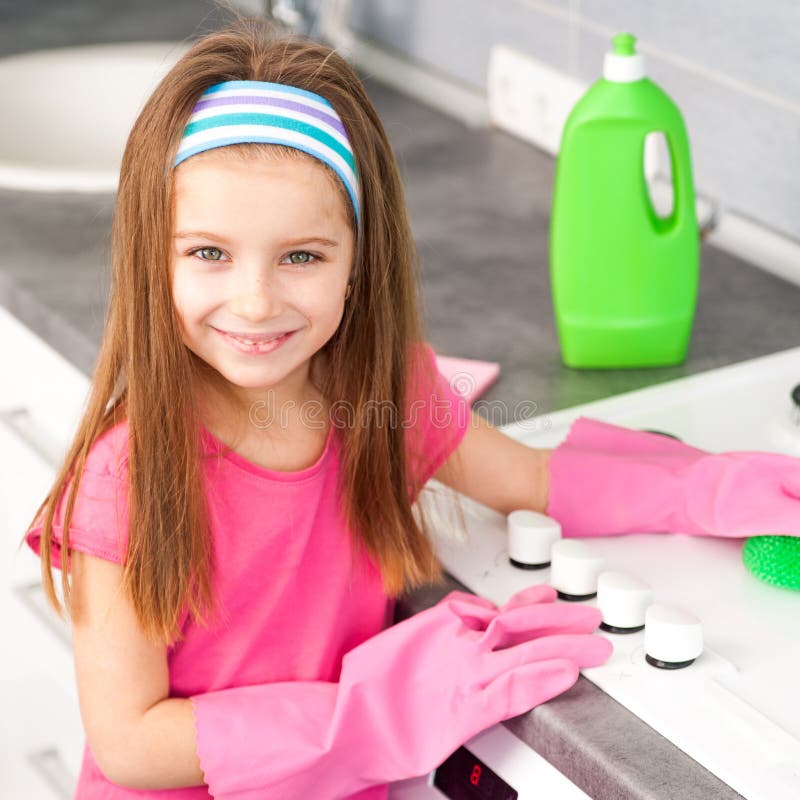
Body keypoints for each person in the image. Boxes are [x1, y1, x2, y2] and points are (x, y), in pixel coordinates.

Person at [21, 17, 612, 800]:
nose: (256, 301)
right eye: (208, 253)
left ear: (356, 264)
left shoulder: (385, 402)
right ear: (152, 259)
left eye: (301, 255)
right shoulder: (124, 478)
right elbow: (129, 744)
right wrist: (374, 712)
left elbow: (533, 480)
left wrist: (723, 491)